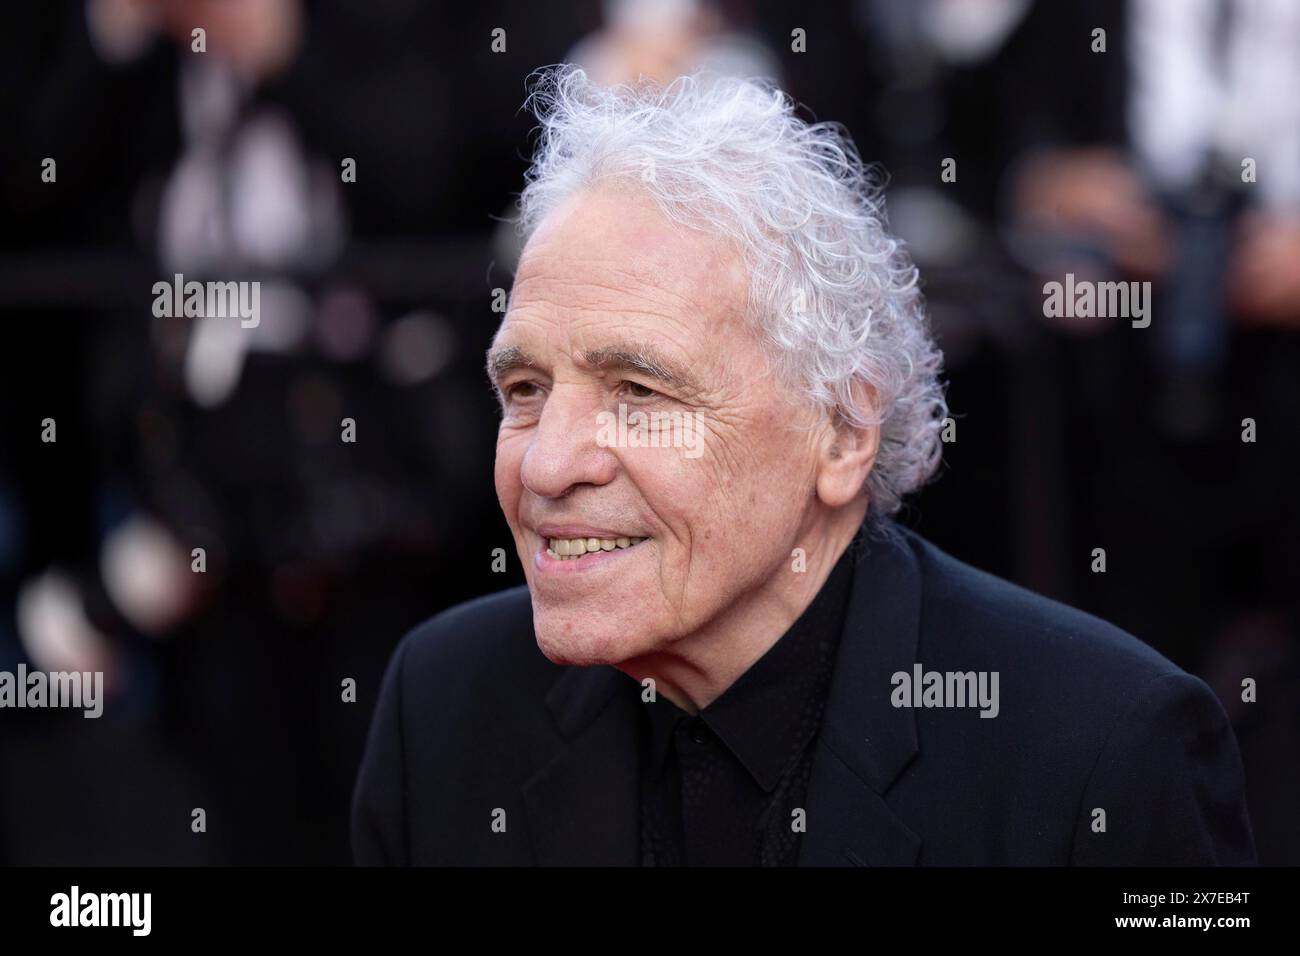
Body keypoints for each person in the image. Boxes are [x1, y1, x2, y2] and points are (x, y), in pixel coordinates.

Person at [352, 66, 1254, 866]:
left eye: (639, 392)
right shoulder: (443, 706)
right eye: (524, 389)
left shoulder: (1101, 754)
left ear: (843, 432)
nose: (548, 464)